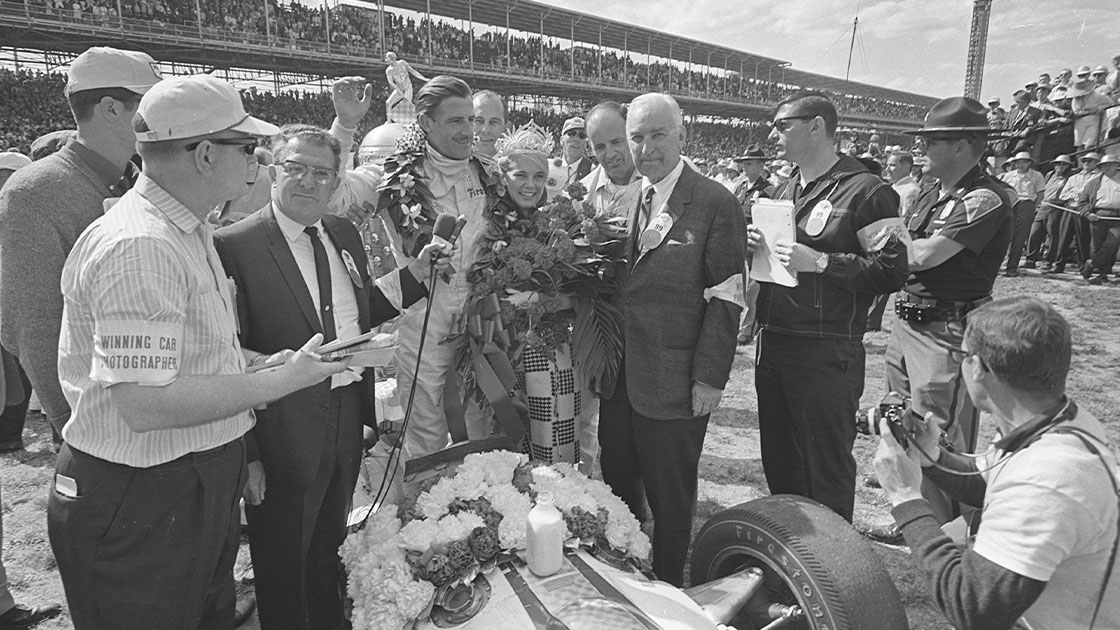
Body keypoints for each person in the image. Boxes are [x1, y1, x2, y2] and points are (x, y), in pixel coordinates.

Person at [48, 73, 351, 630]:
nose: (257, 161)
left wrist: (268, 363)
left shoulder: (186, 231)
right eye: (249, 148)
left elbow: (193, 359)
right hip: (143, 493)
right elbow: (146, 405)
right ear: (207, 153)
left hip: (185, 479)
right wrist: (283, 380)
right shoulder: (142, 245)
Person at [214, 124, 451, 630]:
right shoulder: (234, 244)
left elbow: (357, 313)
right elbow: (225, 354)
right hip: (280, 428)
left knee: (329, 547)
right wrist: (247, 454)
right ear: (272, 170)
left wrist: (417, 275)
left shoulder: (342, 232)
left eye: (321, 173)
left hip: (344, 417)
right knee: (282, 562)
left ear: (336, 180)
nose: (307, 181)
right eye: (294, 168)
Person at [873, 296, 1120, 630]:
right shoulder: (1056, 421)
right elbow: (989, 480)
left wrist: (905, 497)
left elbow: (972, 608)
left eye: (960, 356)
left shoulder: (1048, 478)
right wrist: (934, 459)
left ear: (977, 368)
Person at [599, 92, 747, 586]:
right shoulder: (631, 197)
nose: (646, 148)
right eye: (637, 137)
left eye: (658, 135)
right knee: (619, 483)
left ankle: (667, 586)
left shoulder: (714, 202)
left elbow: (728, 297)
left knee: (671, 495)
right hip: (622, 380)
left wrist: (709, 378)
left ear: (682, 135)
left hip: (675, 382)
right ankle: (629, 575)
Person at [754, 91, 908, 523]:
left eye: (783, 125)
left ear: (816, 126)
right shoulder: (786, 187)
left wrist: (823, 262)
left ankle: (833, 571)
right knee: (781, 461)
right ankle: (791, 552)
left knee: (825, 466)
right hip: (776, 339)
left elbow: (894, 270)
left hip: (825, 348)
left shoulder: (868, 190)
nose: (775, 133)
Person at [869, 97, 1015, 544]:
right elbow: (903, 244)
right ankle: (913, 511)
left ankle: (945, 531)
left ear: (965, 145)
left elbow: (925, 254)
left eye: (934, 141)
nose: (923, 148)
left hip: (946, 330)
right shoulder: (933, 192)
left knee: (939, 433)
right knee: (902, 419)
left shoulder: (985, 197)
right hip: (910, 322)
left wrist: (888, 245)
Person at [0, 46, 162, 439]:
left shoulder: (143, 178)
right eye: (153, 102)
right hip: (99, 424)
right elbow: (32, 325)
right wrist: (74, 427)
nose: (164, 115)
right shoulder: (34, 192)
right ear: (111, 108)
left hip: (154, 403)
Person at [389, 76, 499, 461]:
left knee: (481, 418)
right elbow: (341, 192)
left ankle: (479, 504)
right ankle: (427, 508)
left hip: (479, 314)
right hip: (424, 317)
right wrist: (345, 124)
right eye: (456, 121)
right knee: (425, 424)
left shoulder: (487, 172)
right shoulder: (396, 175)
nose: (469, 130)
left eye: (471, 119)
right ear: (425, 123)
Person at [576, 101, 641, 474]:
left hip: (648, 327)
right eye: (599, 147)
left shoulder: (661, 185)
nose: (610, 154)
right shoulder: (583, 194)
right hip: (601, 326)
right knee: (602, 428)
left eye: (617, 142)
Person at [1050, 152, 1101, 274]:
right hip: (1070, 208)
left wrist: (1079, 196)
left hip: (1085, 210)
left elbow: (1093, 195)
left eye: (1090, 161)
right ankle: (1059, 264)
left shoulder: (1099, 177)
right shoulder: (1074, 177)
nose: (1086, 163)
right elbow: (1063, 195)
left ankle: (1082, 266)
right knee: (1063, 237)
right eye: (1084, 161)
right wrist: (1079, 195)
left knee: (1082, 238)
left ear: (1096, 163)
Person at [998, 151, 1046, 275]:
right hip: (1010, 205)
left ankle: (1012, 267)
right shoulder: (1008, 176)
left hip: (1026, 204)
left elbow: (1040, 194)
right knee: (1004, 235)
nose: (1020, 165)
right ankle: (997, 265)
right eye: (1017, 162)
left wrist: (1034, 208)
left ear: (1029, 163)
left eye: (1023, 162)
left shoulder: (1037, 176)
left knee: (1019, 237)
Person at [1078, 153, 1120, 284]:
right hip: (1098, 217)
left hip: (1117, 218)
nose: (1107, 167)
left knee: (1112, 244)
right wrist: (1087, 214)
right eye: (1104, 165)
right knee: (1097, 246)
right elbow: (1082, 202)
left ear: (1117, 165)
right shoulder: (1093, 183)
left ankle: (1091, 265)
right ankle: (1102, 275)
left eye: (1110, 164)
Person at [1032, 154, 1075, 270]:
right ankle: (1031, 258)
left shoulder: (1070, 177)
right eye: (1057, 163)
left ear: (1068, 166)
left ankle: (1048, 260)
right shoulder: (1049, 175)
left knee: (1053, 235)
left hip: (1057, 207)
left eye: (1064, 164)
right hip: (1044, 205)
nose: (1060, 166)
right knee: (1035, 232)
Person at [546, 116, 592, 200]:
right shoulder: (549, 167)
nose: (576, 139)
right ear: (561, 140)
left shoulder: (592, 171)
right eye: (571, 134)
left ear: (585, 143)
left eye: (582, 136)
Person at [384, 51, 428, 123]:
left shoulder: (402, 63)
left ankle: (410, 121)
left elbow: (413, 71)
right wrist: (399, 91)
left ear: (392, 58)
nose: (386, 60)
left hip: (408, 87)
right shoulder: (388, 71)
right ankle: (388, 121)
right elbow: (391, 83)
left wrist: (424, 78)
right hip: (399, 88)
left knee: (406, 104)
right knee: (388, 102)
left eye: (387, 58)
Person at [470, 89, 507, 159]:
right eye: (479, 121)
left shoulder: (515, 168)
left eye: (494, 122)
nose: (485, 130)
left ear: (505, 127)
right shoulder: (449, 166)